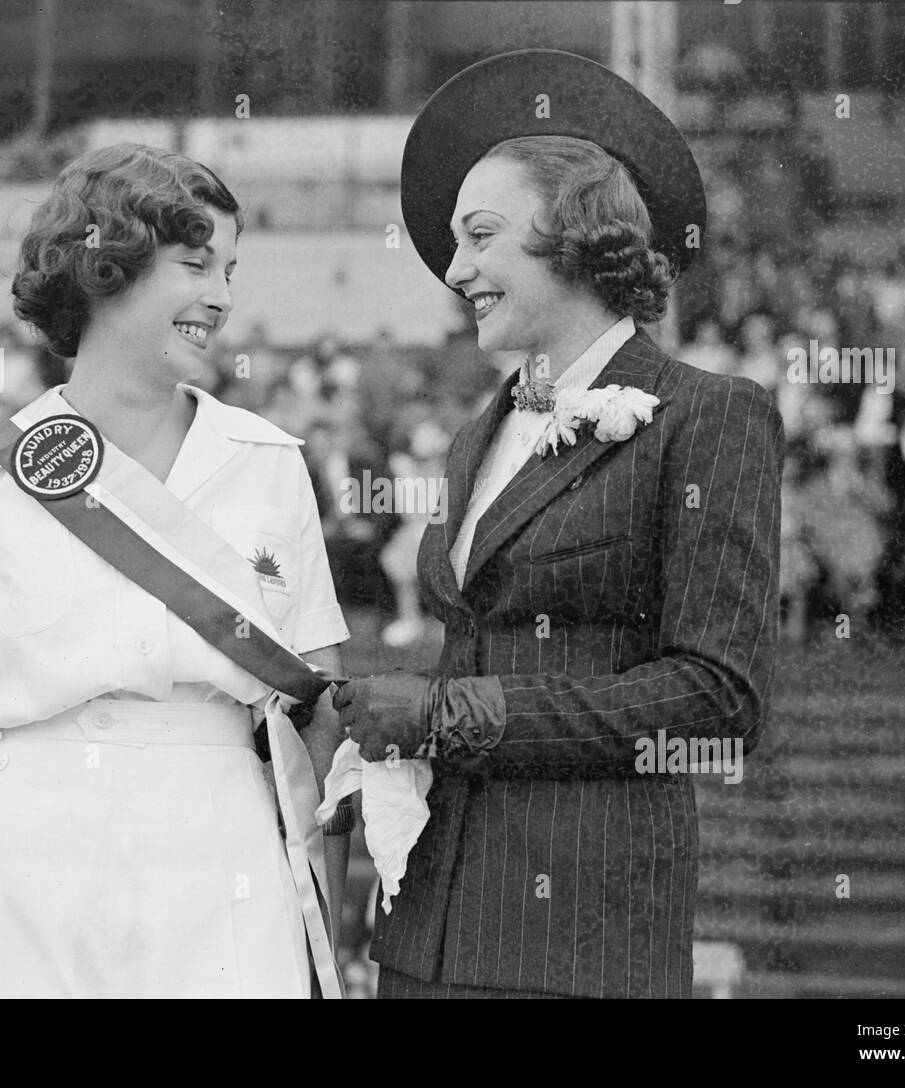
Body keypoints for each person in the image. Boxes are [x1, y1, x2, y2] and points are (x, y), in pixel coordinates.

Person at [333, 50, 784, 999]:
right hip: (424, 936)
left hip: (579, 944)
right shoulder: (473, 438)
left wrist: (452, 716)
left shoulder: (710, 416)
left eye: (480, 235)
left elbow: (719, 700)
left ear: (578, 229)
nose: (455, 270)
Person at [0, 143, 351, 998]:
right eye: (196, 264)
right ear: (105, 269)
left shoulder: (272, 463)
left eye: (231, 270)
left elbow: (324, 715)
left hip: (223, 866)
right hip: (28, 874)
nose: (223, 296)